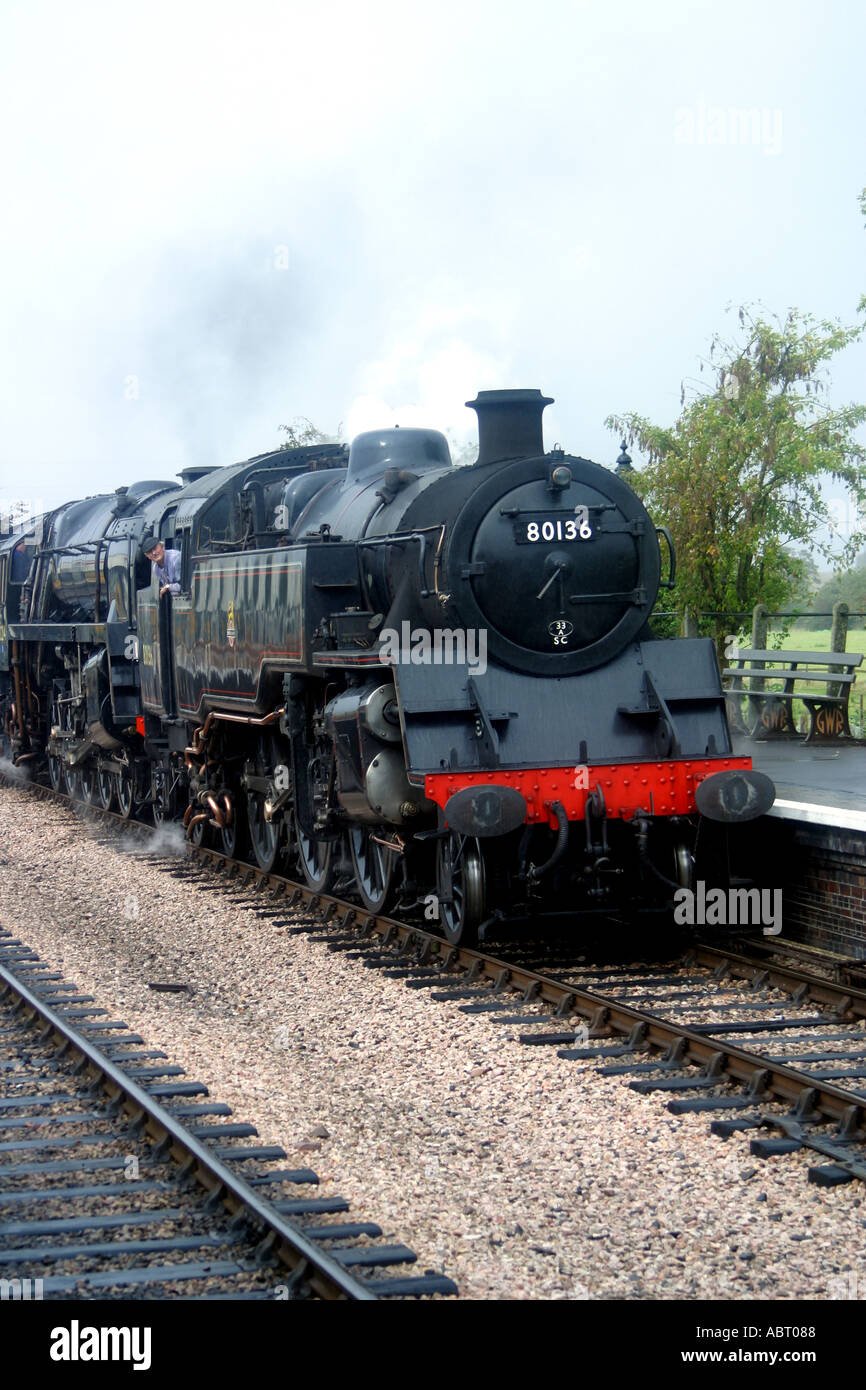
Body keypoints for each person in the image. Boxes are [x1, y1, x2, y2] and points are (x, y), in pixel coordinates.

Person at [140, 534, 182, 598]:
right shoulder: (156, 569)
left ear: (163, 547)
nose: (154, 553)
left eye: (155, 548)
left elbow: (184, 586)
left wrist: (168, 587)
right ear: (147, 556)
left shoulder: (176, 558)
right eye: (149, 552)